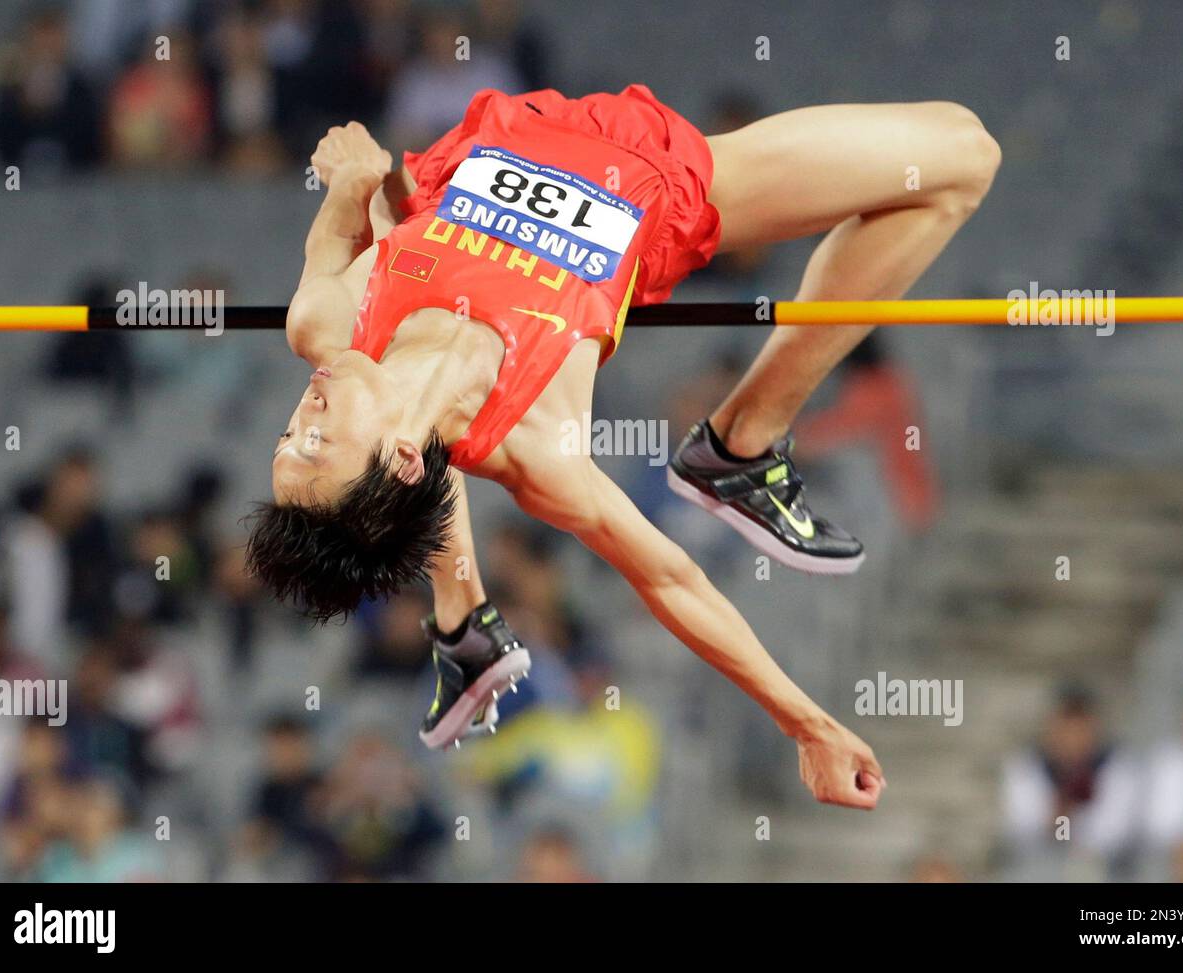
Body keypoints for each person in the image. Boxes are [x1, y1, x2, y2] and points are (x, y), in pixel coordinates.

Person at [246, 85, 999, 807]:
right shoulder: (543, 448)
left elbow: (349, 213)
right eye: (316, 446)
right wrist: (810, 724)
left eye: (285, 437)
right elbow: (674, 583)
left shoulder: (324, 325)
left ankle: (462, 619)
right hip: (655, 175)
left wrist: (349, 176)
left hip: (500, 140)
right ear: (402, 459)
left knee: (396, 216)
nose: (303, 413)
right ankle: (743, 440)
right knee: (964, 157)